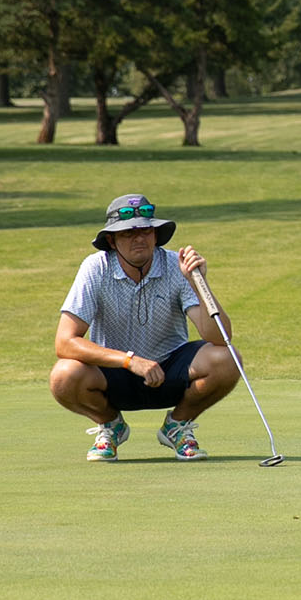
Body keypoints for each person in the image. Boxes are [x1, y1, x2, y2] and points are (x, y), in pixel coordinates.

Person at [50, 195, 240, 461]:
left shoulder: (177, 265)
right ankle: (111, 426)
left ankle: (177, 426)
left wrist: (198, 282)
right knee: (64, 374)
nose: (138, 238)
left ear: (155, 235)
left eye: (145, 230)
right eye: (128, 233)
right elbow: (65, 342)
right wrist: (129, 361)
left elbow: (220, 336)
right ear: (112, 241)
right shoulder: (95, 267)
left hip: (169, 370)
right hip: (114, 374)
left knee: (227, 358)